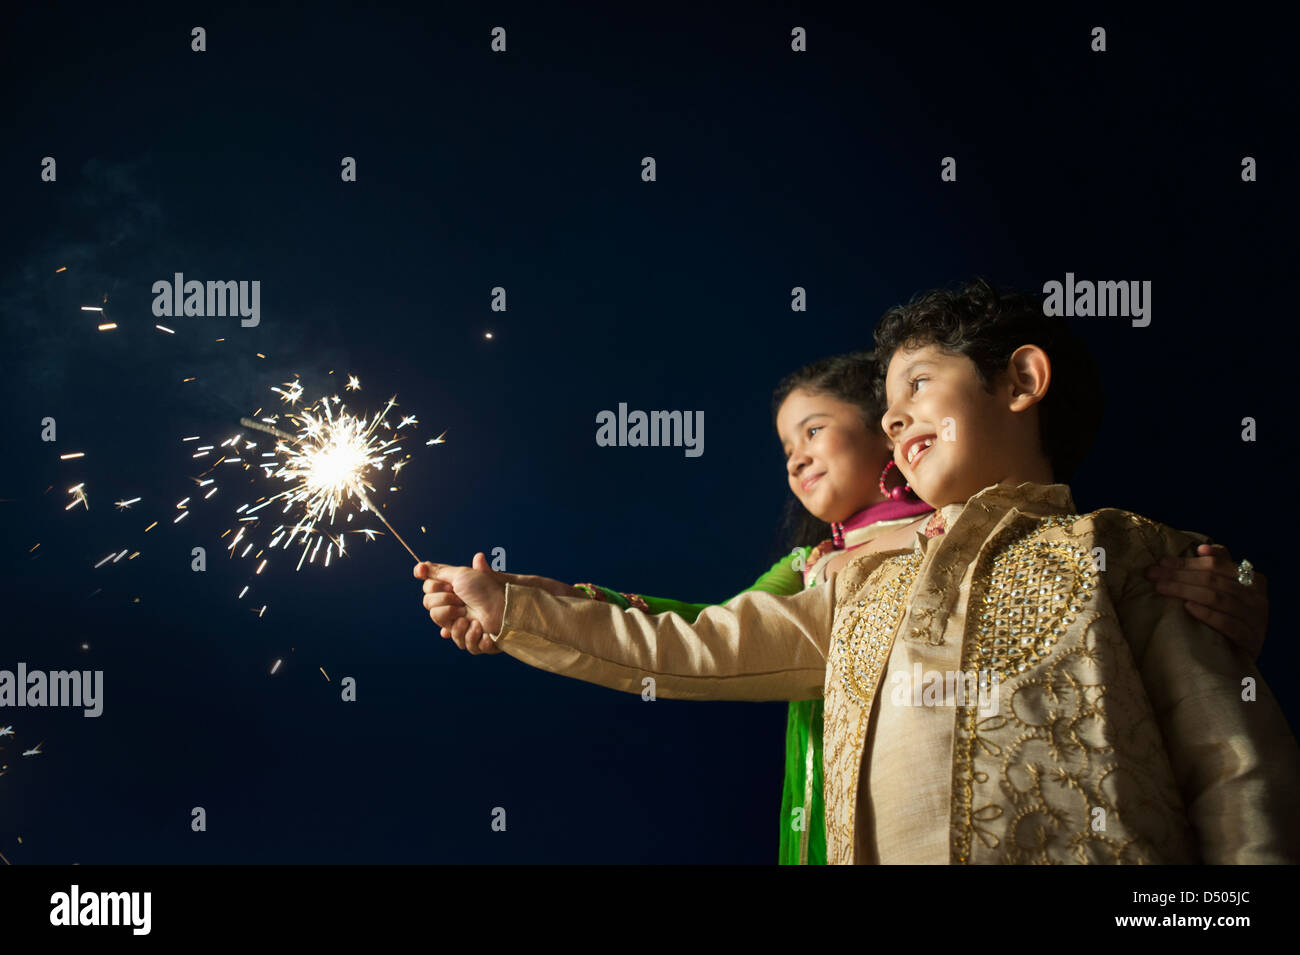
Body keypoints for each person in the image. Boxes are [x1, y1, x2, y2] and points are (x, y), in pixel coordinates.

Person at [421, 287, 1287, 862]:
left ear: (1022, 380)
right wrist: (514, 608)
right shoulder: (849, 583)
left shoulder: (1135, 556)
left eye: (916, 382)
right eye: (889, 400)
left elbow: (1234, 772)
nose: (899, 412)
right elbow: (689, 644)